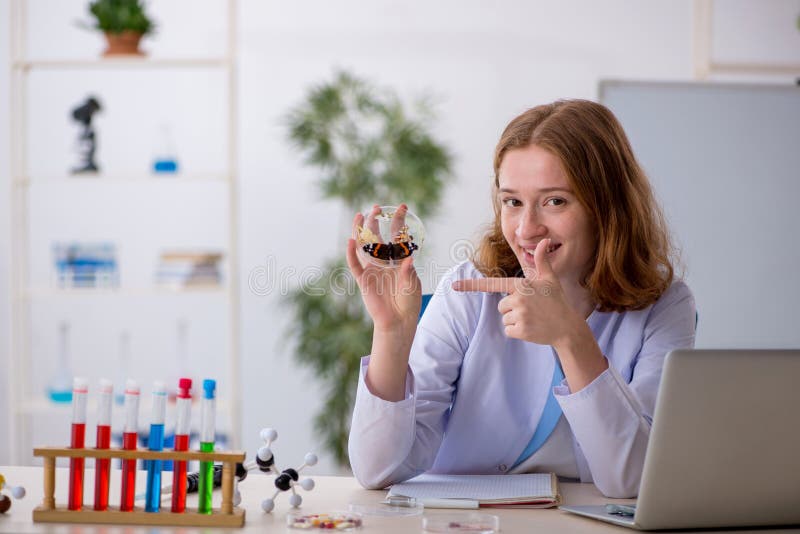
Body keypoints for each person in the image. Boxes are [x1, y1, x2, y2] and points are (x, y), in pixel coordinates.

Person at [344, 99, 696, 498]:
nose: (527, 229)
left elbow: (633, 478)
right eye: (512, 202)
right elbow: (378, 470)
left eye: (555, 201)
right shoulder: (468, 290)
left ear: (607, 207)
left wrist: (570, 337)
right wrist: (390, 333)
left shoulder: (665, 306)